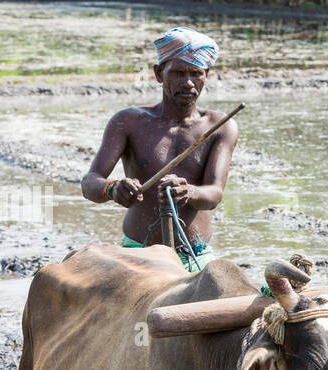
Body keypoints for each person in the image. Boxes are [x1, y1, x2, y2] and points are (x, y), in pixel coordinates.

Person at [81, 27, 237, 270]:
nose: (187, 82)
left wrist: (190, 192)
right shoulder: (129, 121)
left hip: (194, 255)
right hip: (138, 253)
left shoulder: (219, 126)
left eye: (196, 73)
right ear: (158, 73)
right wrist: (112, 188)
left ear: (206, 75)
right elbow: (90, 183)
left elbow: (214, 194)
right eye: (177, 73)